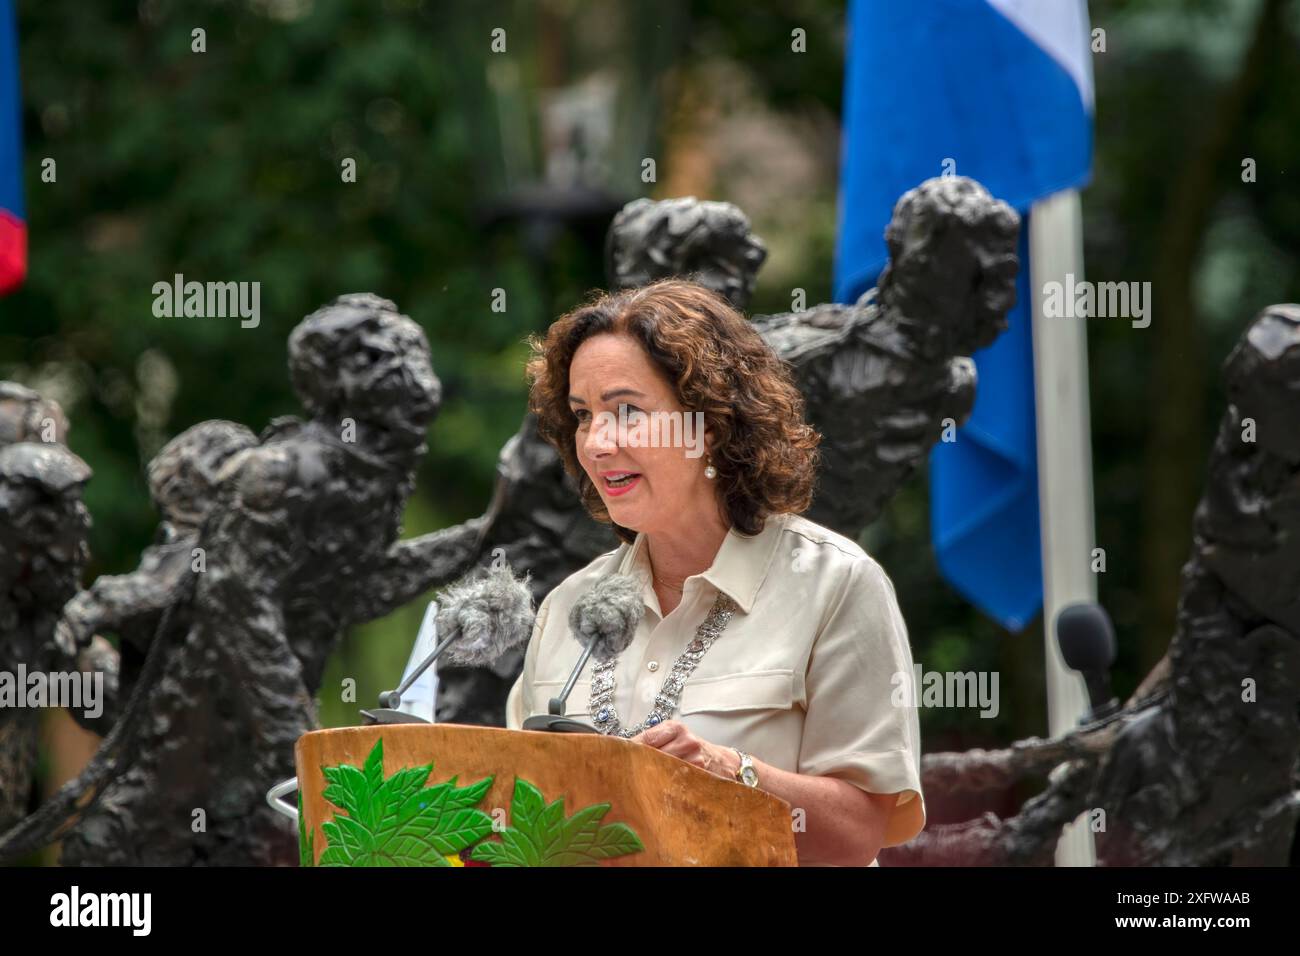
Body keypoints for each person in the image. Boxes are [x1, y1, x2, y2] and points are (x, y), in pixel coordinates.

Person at [505, 278, 925, 866]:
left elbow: (857, 833)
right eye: (582, 415)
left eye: (627, 411)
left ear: (710, 424)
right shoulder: (564, 607)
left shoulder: (837, 584)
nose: (596, 443)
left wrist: (729, 772)